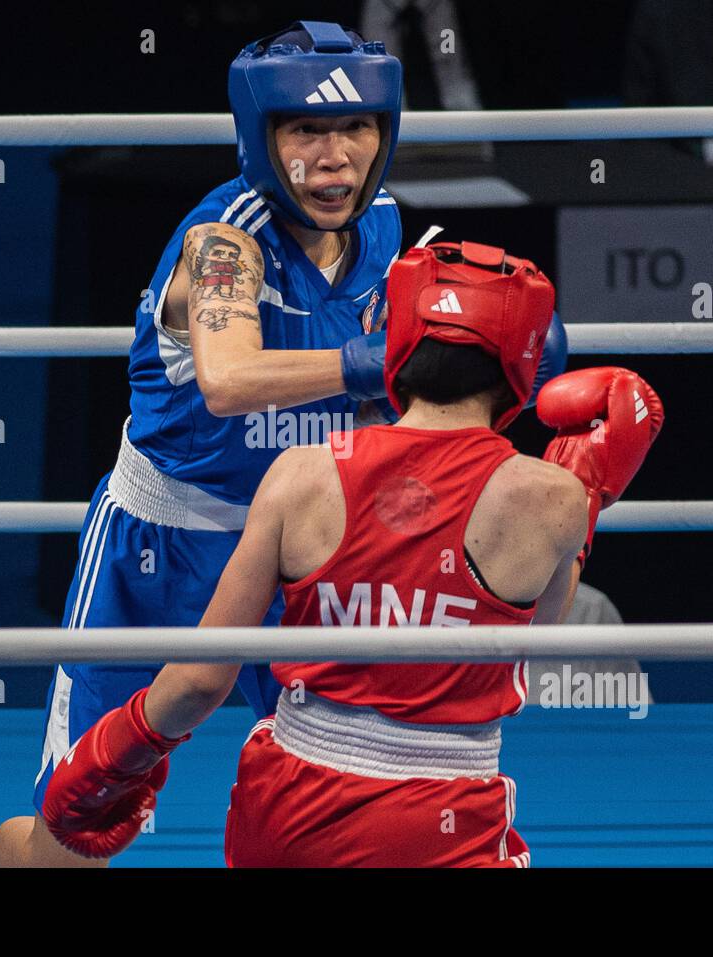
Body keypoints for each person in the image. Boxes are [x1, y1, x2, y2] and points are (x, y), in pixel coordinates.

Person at [39, 240, 664, 867]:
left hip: (286, 812)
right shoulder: (552, 499)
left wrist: (114, 757)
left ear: (395, 344)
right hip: (443, 820)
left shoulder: (299, 476)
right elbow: (525, 650)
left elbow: (201, 678)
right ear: (529, 369)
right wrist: (588, 495)